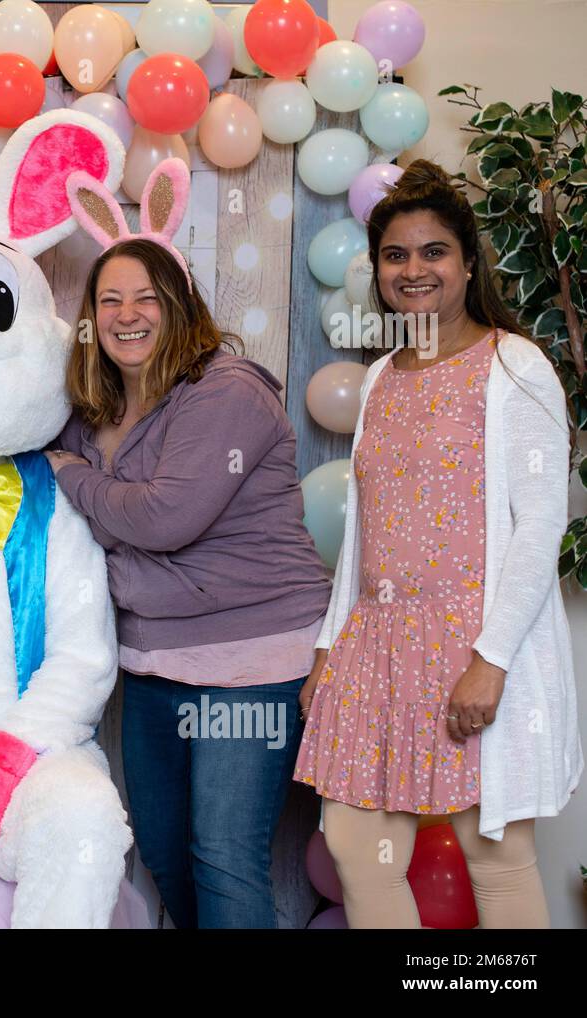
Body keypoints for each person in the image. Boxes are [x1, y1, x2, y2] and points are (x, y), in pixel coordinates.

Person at [43, 160, 331, 928]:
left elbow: (168, 518)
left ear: (180, 307)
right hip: (151, 664)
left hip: (252, 661)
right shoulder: (94, 407)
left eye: (146, 298)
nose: (127, 314)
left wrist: (74, 478)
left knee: (222, 854)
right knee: (166, 856)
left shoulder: (226, 389)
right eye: (110, 300)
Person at [294, 159, 582, 928]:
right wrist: (328, 648)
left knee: (495, 856)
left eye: (433, 252)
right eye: (395, 255)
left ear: (466, 262)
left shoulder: (515, 367)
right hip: (379, 644)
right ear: (378, 270)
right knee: (358, 849)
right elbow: (362, 531)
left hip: (474, 645)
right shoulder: (383, 375)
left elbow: (538, 526)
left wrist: (491, 661)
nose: (413, 269)